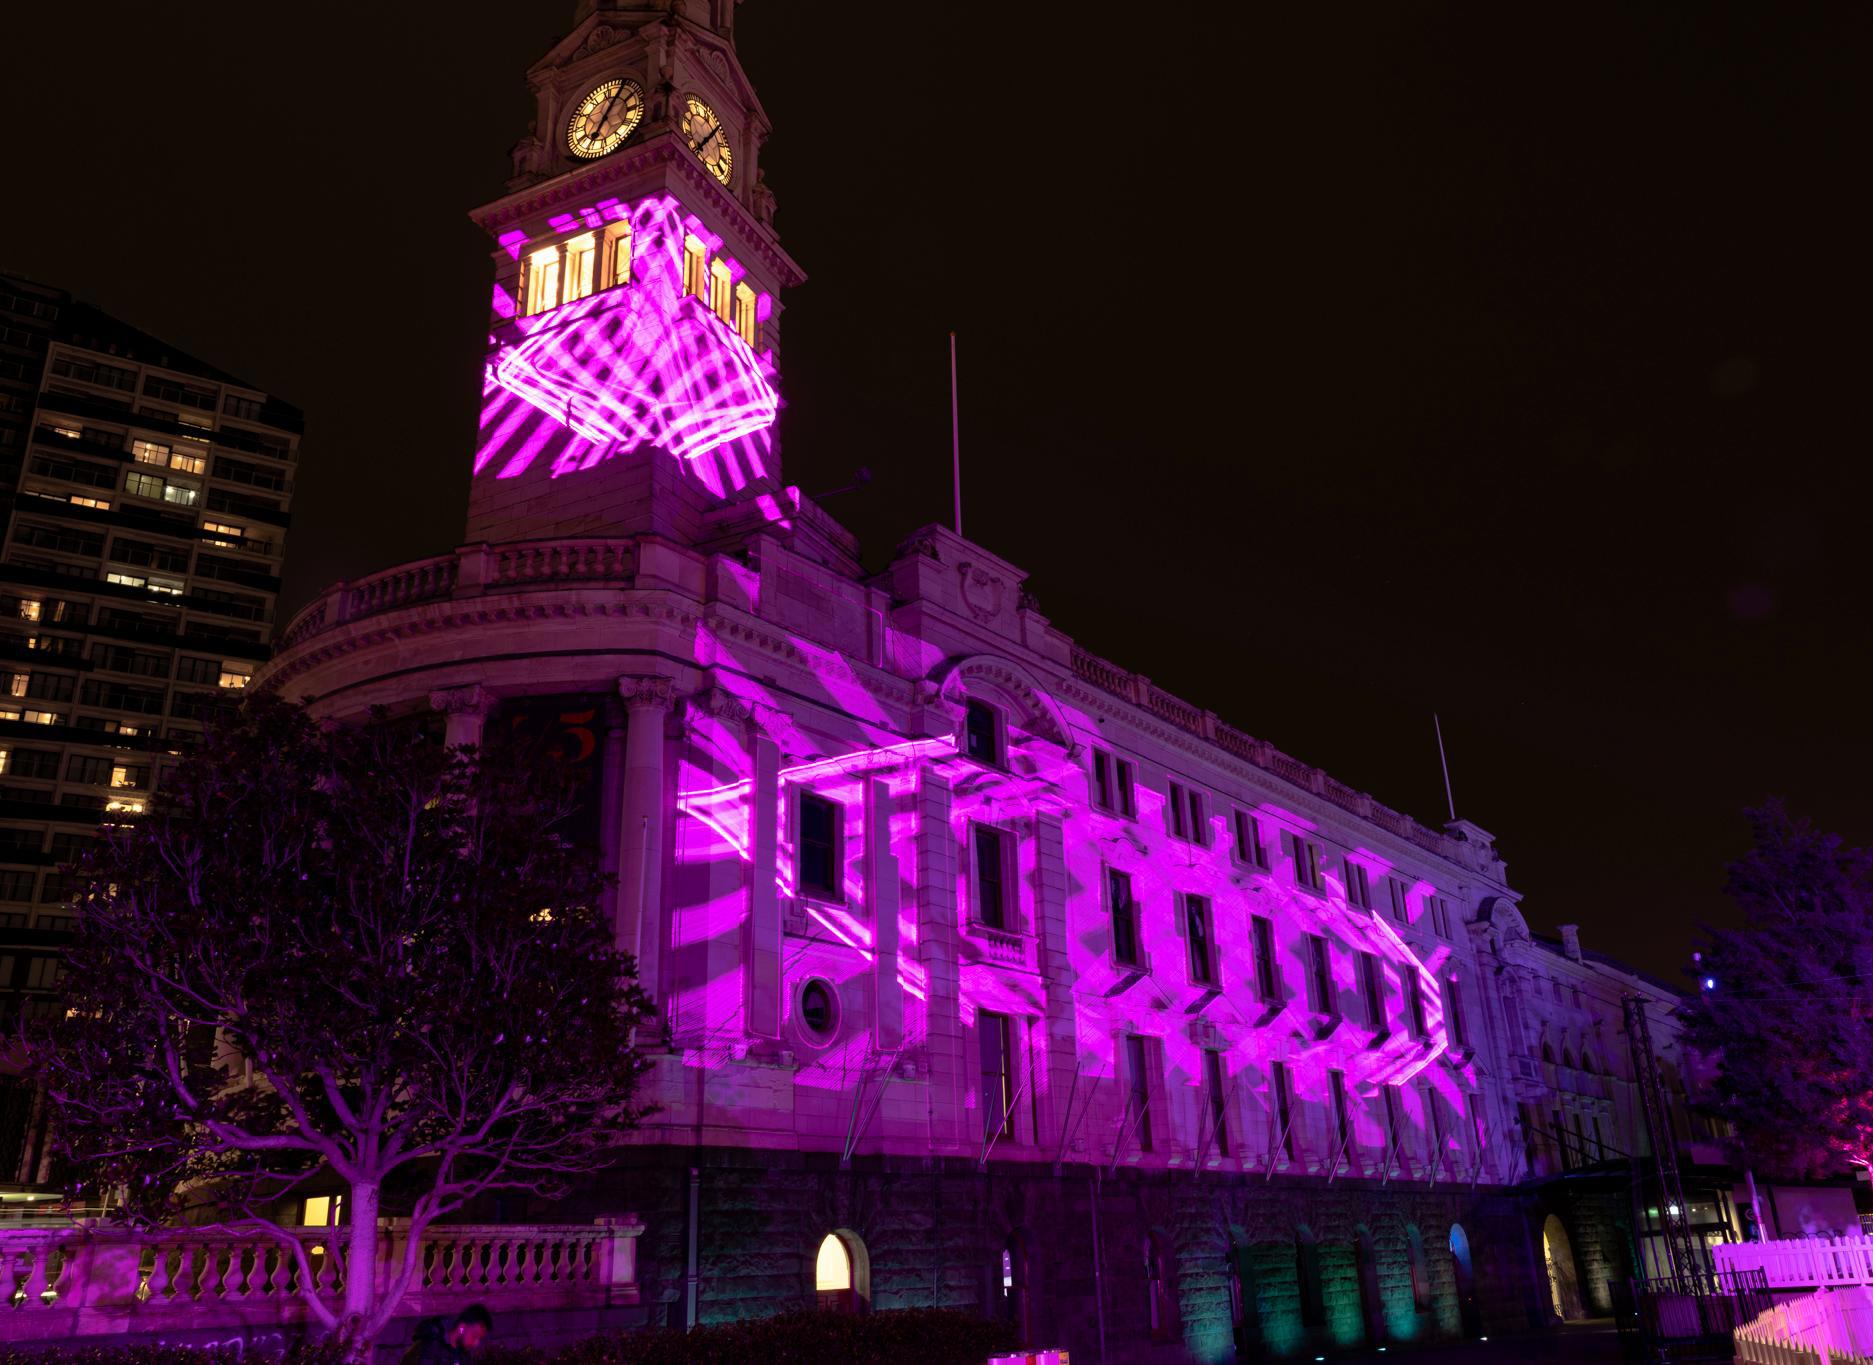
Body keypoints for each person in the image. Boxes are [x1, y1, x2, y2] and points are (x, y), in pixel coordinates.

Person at [399, 1304, 493, 1365]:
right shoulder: (430, 1346)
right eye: (474, 1336)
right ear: (462, 1328)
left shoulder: (463, 1354)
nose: (476, 1343)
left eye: (479, 1339)